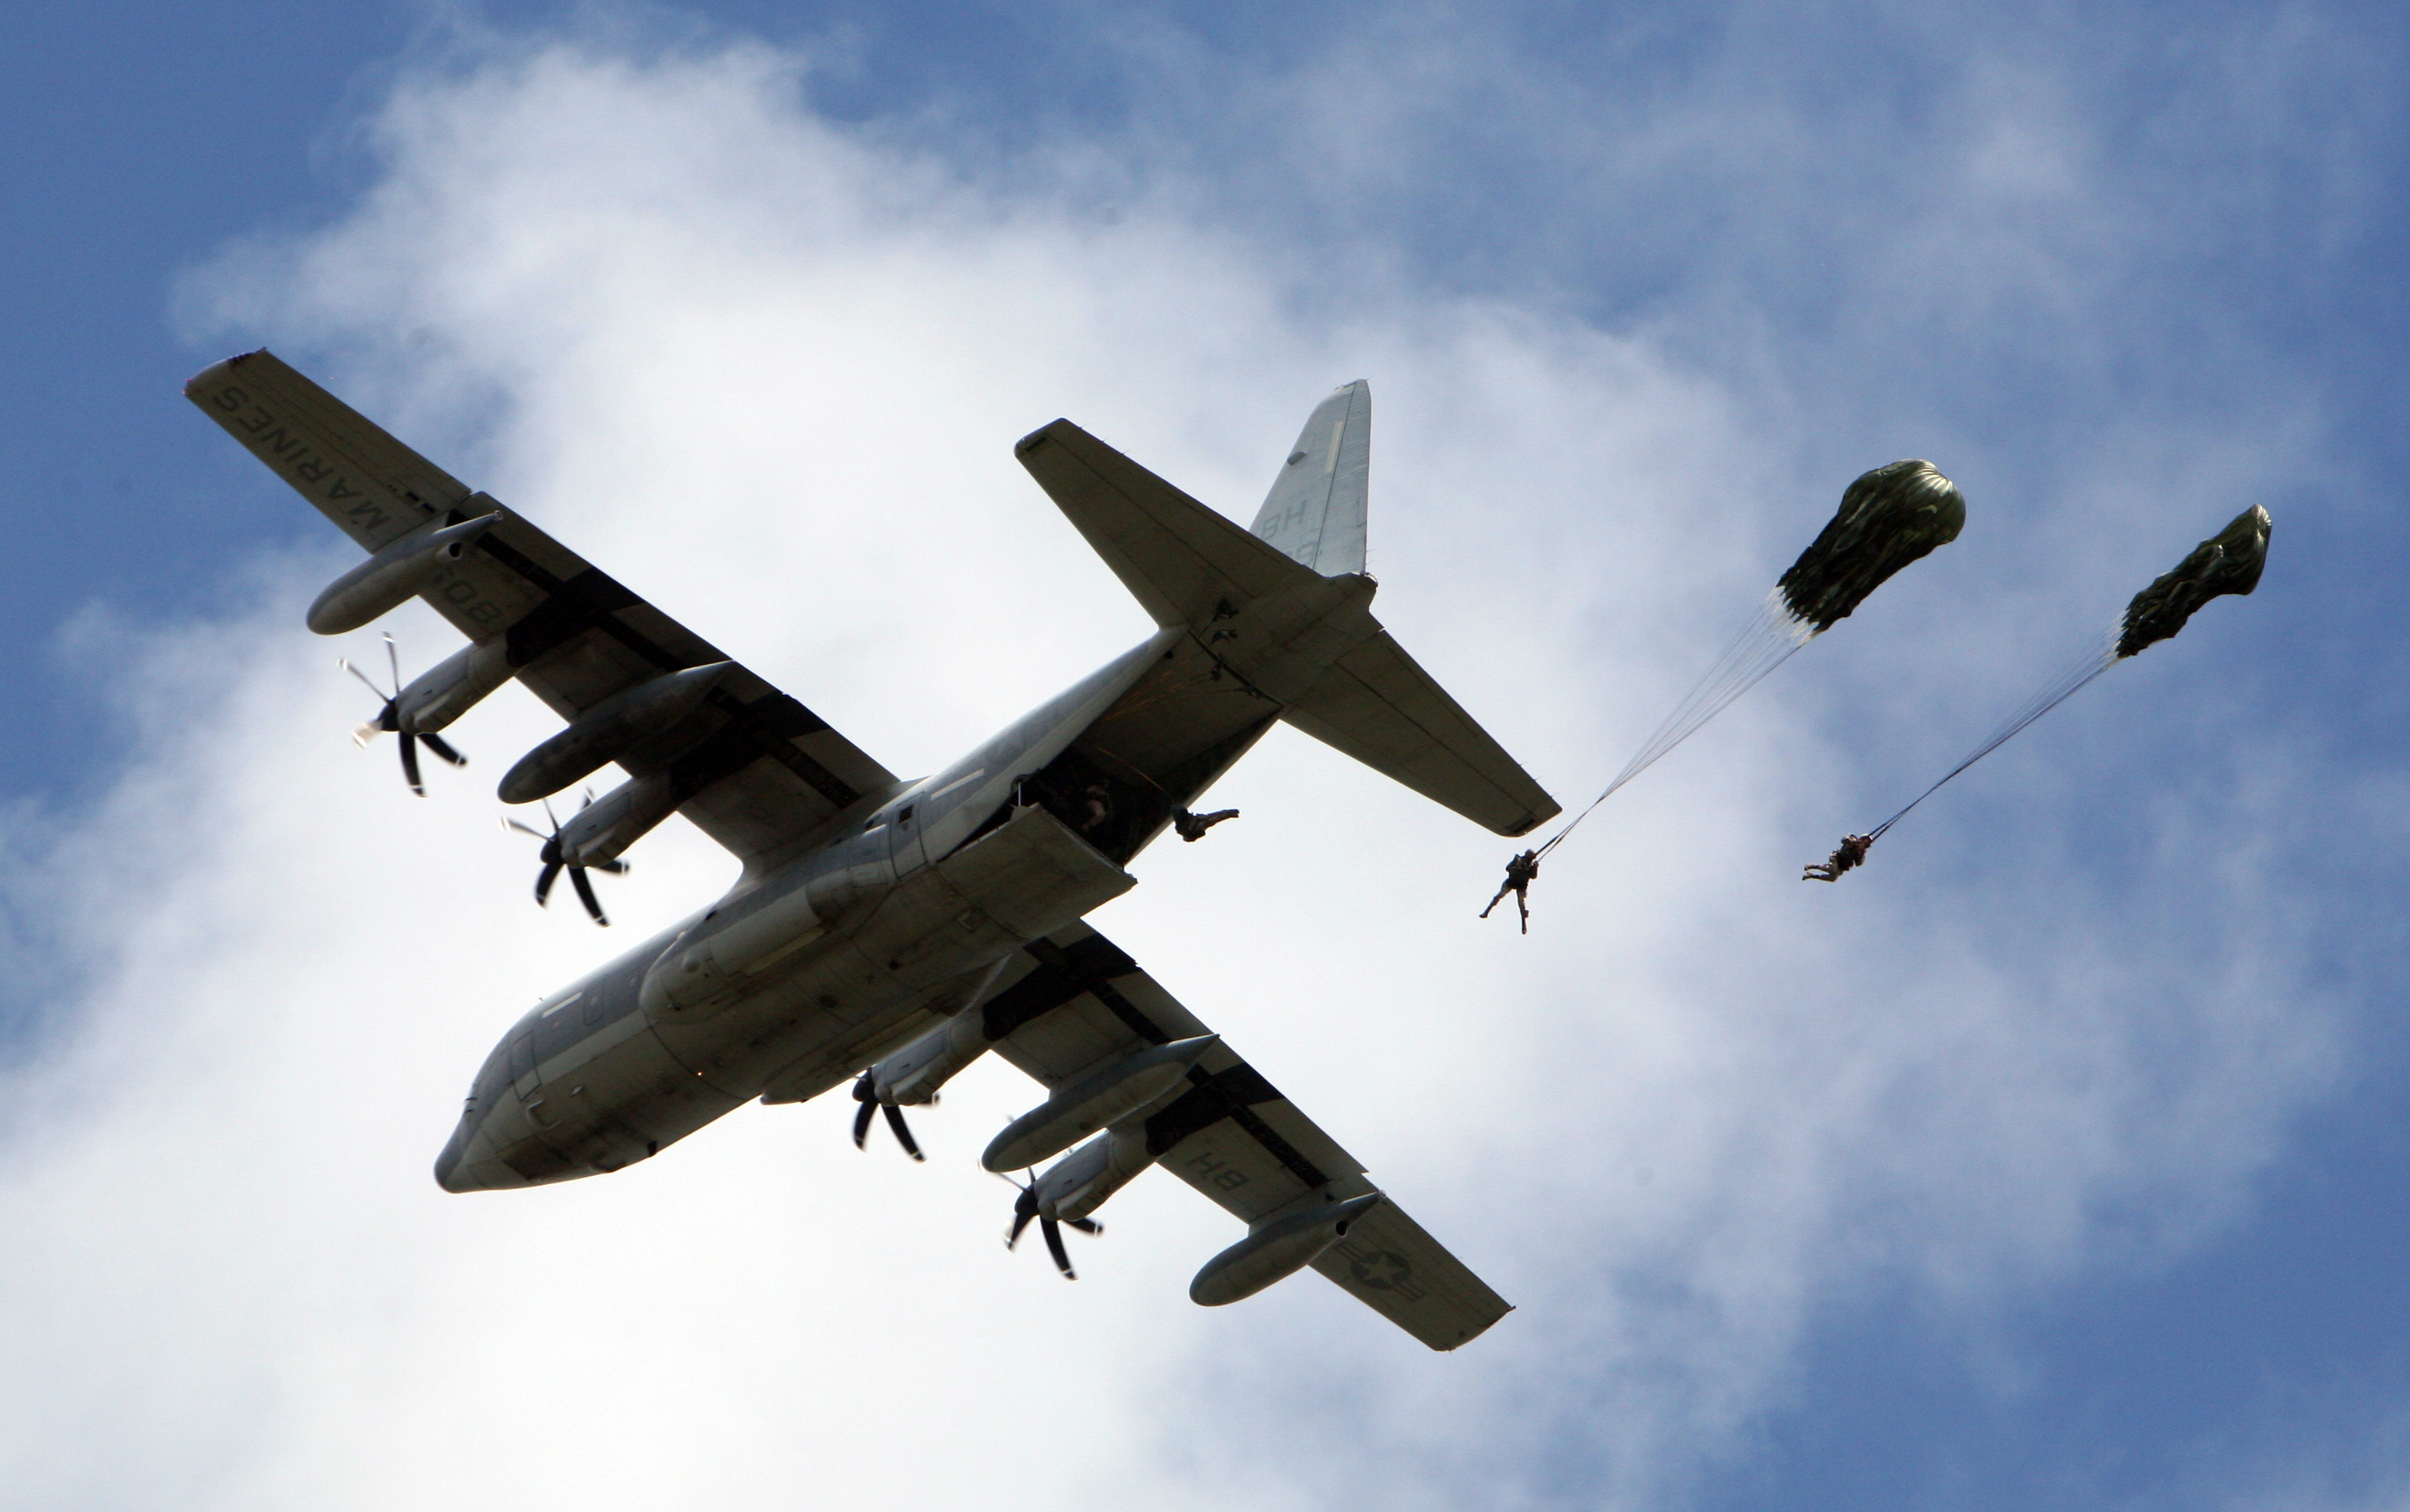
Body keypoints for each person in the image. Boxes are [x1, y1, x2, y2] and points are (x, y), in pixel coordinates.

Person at [1481, 850, 1542, 933]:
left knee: (1521, 904)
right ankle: (1487, 911)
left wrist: (1535, 868)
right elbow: (1508, 868)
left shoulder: (1531, 866)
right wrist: (1519, 869)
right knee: (1498, 896)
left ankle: (1524, 924)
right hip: (1511, 882)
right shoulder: (1518, 860)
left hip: (1521, 885)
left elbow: (1533, 876)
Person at [1802, 833, 1872, 883]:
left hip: (1842, 866)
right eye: (1865, 841)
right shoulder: (1853, 839)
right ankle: (1813, 866)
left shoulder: (1861, 853)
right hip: (1837, 857)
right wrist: (1854, 842)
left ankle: (1811, 876)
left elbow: (1858, 864)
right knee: (1832, 869)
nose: (1864, 844)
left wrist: (1861, 853)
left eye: (1867, 843)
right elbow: (1843, 840)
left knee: (1832, 878)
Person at [1174, 808, 1238, 842]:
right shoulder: (1182, 830)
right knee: (1212, 818)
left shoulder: (1182, 829)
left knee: (1212, 818)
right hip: (1197, 821)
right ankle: (1230, 813)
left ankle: (1229, 813)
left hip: (1195, 820)